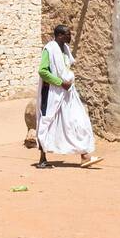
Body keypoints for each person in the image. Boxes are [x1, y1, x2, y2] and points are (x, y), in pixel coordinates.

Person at [35, 24, 102, 169]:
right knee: (47, 123)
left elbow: (66, 68)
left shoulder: (65, 49)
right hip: (52, 93)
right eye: (67, 34)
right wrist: (60, 83)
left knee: (78, 121)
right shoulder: (49, 49)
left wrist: (67, 83)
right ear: (59, 35)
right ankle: (42, 158)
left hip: (68, 92)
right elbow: (42, 71)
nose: (70, 36)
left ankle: (85, 156)